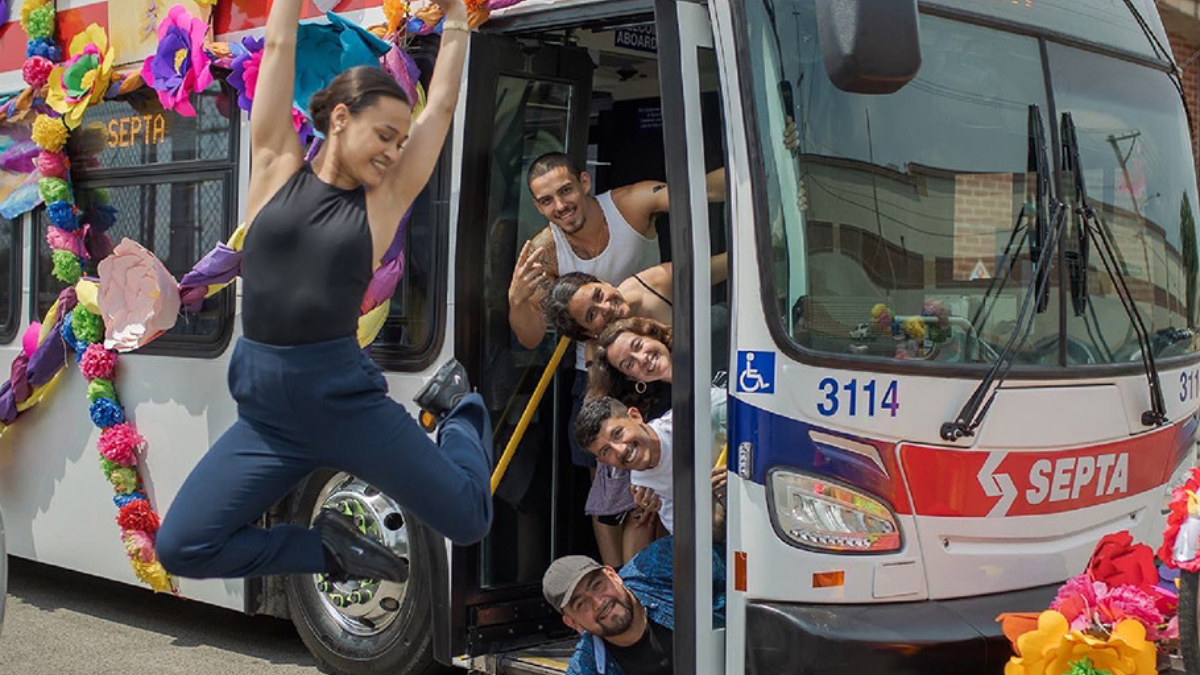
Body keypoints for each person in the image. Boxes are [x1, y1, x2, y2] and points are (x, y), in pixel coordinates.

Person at [155, 0, 490, 583]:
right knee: (183, 547)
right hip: (267, 418)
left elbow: (440, 108)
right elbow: (280, 47)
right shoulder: (275, 165)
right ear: (339, 117)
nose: (393, 150)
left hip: (343, 406)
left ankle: (459, 411)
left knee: (468, 519)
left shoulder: (380, 205)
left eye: (400, 140)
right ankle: (331, 552)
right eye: (384, 134)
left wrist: (459, 15)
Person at [508, 153, 723, 568]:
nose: (560, 206)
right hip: (599, 373)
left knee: (660, 486)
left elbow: (705, 189)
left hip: (652, 354)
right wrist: (516, 297)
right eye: (547, 200)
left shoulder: (629, 206)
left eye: (566, 190)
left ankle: (668, 574)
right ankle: (618, 578)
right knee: (608, 487)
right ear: (538, 206)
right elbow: (529, 335)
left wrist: (772, 157)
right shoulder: (543, 252)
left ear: (585, 182)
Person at [542, 536, 726, 675]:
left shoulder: (658, 565)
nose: (598, 602)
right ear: (573, 623)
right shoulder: (588, 666)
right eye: (581, 604)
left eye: (597, 585)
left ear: (612, 575)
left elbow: (735, 567)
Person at [542, 254, 728, 342]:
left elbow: (729, 264)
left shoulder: (656, 281)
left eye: (598, 295)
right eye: (592, 315)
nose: (605, 307)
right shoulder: (603, 360)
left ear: (603, 282)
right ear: (588, 333)